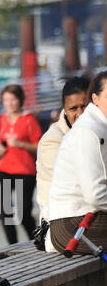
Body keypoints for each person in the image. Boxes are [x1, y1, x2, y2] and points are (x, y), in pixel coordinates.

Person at [44, 70, 107, 254]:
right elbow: (95, 195)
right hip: (71, 226)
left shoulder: (100, 126)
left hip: (88, 216)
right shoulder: (88, 131)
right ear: (95, 99)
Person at [35, 75, 90, 227]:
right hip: (63, 224)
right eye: (73, 108)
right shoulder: (52, 141)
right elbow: (77, 186)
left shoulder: (97, 132)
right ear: (64, 110)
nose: (80, 113)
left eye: (85, 106)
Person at [0, 83, 42, 245]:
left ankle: (35, 242)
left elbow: (39, 145)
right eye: (6, 100)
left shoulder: (29, 120)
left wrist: (20, 144)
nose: (10, 103)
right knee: (5, 212)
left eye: (13, 99)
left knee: (23, 213)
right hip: (3, 168)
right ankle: (12, 246)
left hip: (24, 170)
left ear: (20, 100)